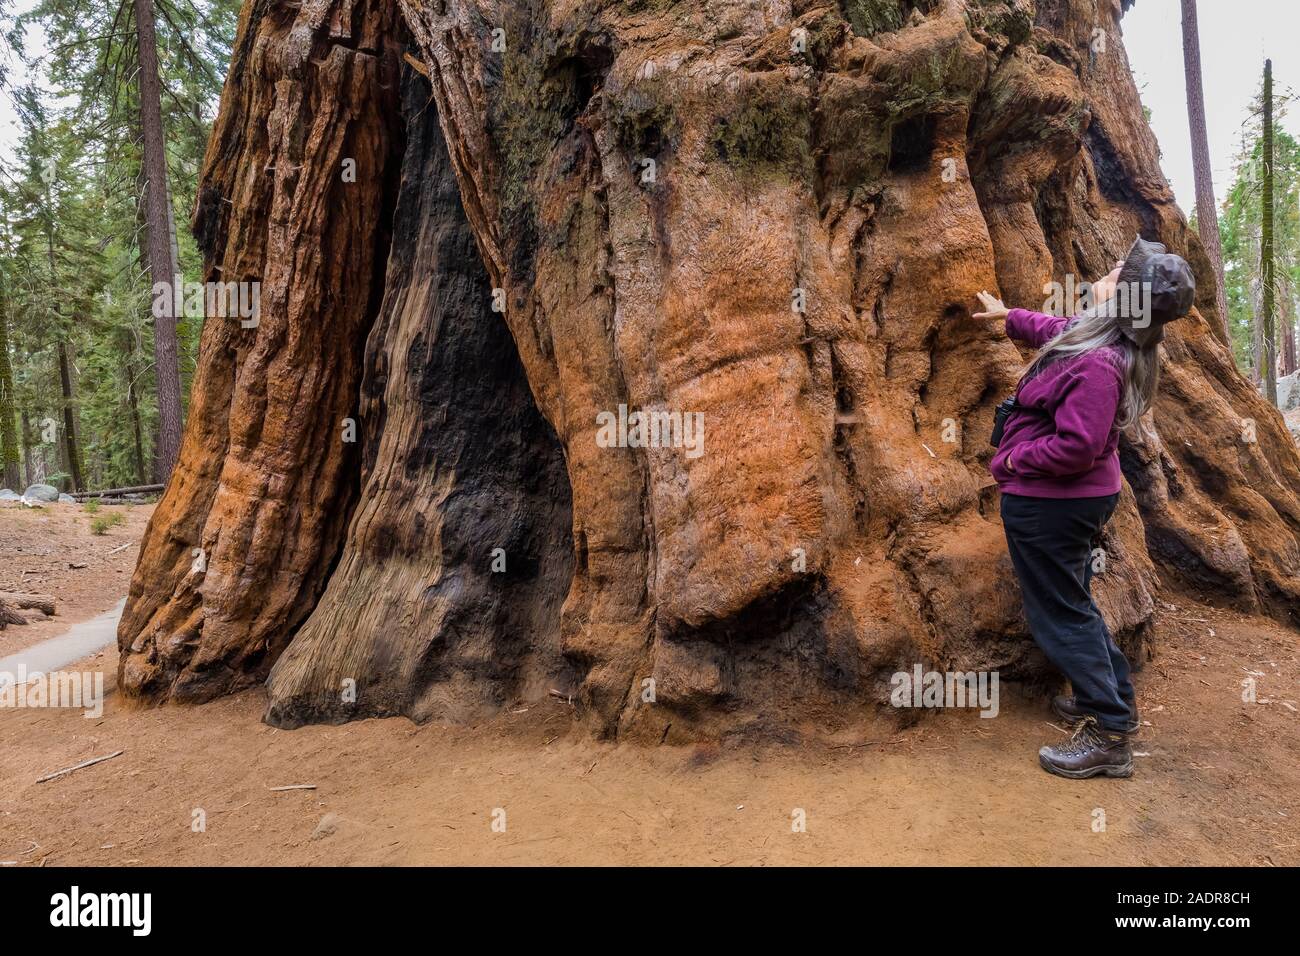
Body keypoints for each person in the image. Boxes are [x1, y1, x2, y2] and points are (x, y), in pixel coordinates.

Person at [973, 236, 1196, 779]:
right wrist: (1008, 317)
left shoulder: (1099, 365)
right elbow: (1057, 332)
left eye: (1121, 270)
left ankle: (1110, 732)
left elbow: (1076, 448)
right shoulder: (1099, 335)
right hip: (1068, 500)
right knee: (1072, 601)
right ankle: (1110, 695)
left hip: (1053, 503)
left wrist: (1011, 462)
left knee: (1058, 615)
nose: (1111, 267)